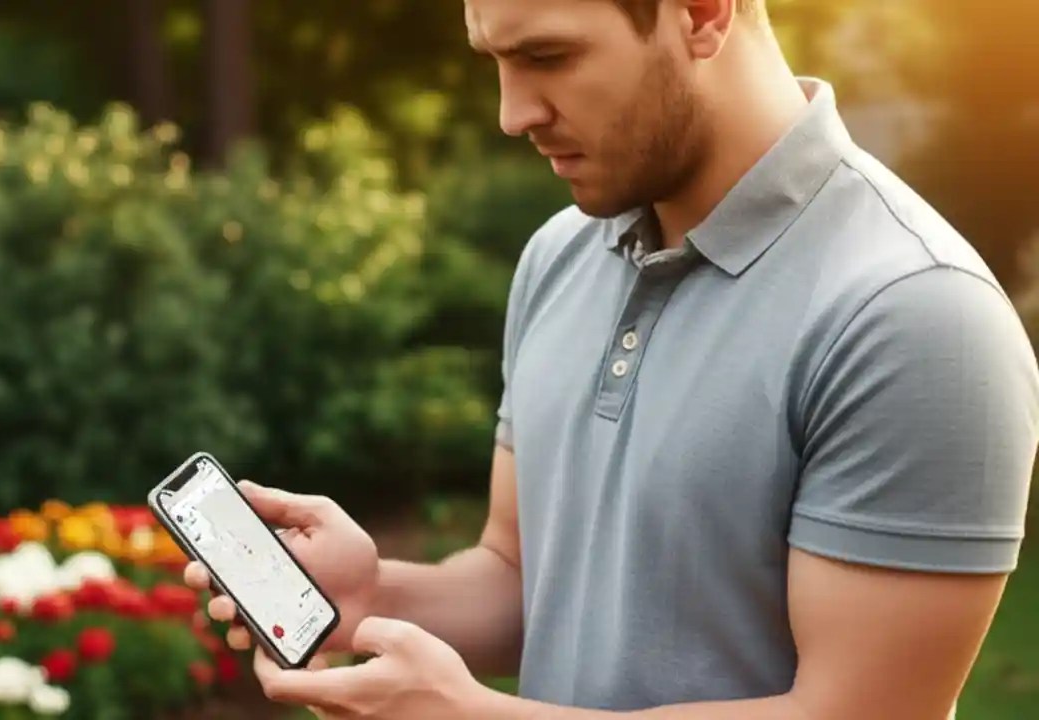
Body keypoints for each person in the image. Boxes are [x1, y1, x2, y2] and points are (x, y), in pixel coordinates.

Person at [183, 0, 1039, 717]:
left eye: (546, 56)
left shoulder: (917, 315)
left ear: (701, 14)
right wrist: (370, 598)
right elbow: (521, 577)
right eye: (495, 60)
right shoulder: (560, 254)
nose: (512, 113)